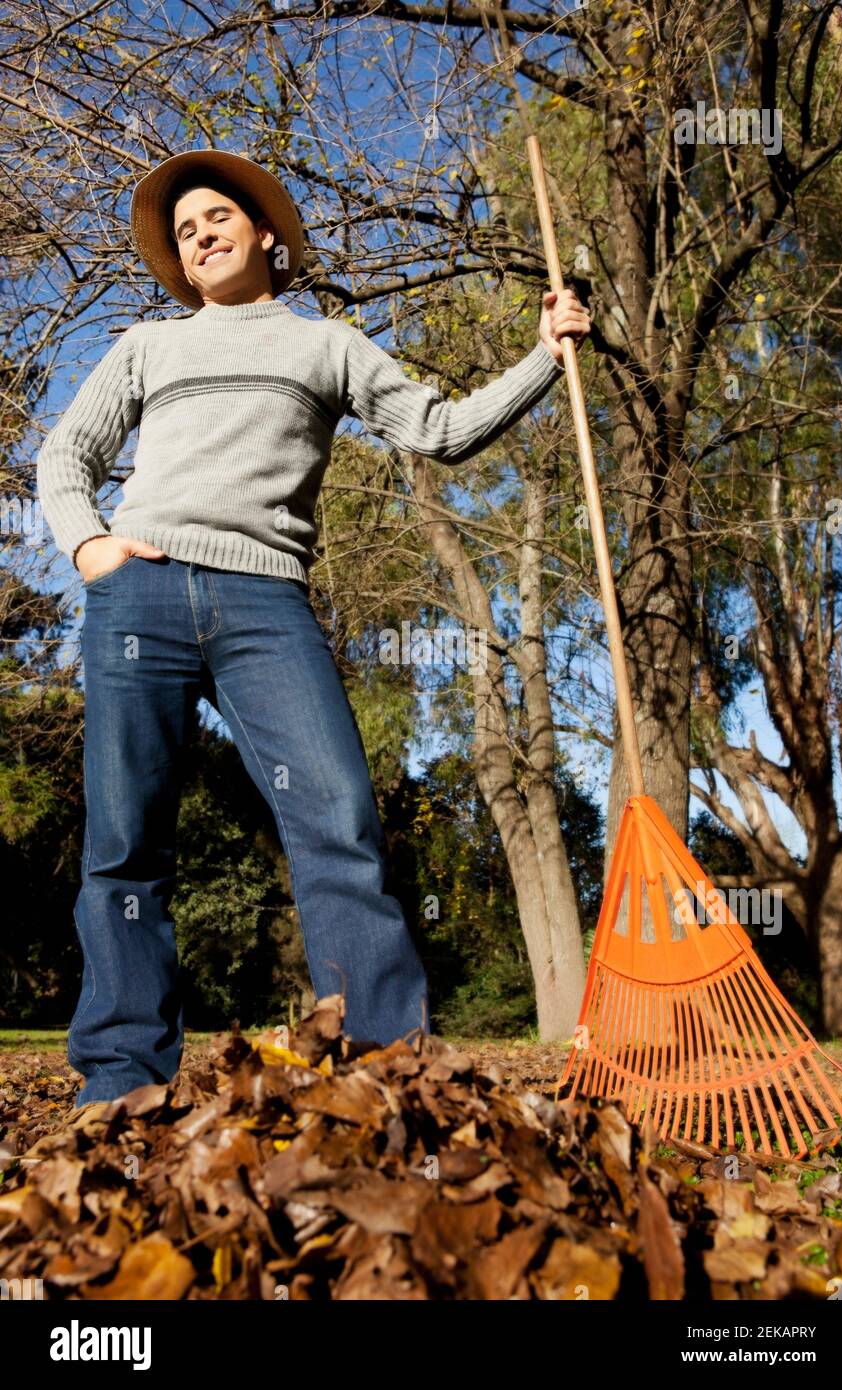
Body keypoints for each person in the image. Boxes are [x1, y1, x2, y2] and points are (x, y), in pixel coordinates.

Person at [35, 148, 591, 1113]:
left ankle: (386, 1074)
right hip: (142, 598)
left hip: (265, 606)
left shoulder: (326, 346)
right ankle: (121, 1087)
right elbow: (66, 454)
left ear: (264, 234)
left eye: (216, 219)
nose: (200, 236)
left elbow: (443, 431)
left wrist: (547, 355)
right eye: (184, 232)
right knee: (125, 843)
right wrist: (91, 551)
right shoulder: (146, 348)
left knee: (338, 820)